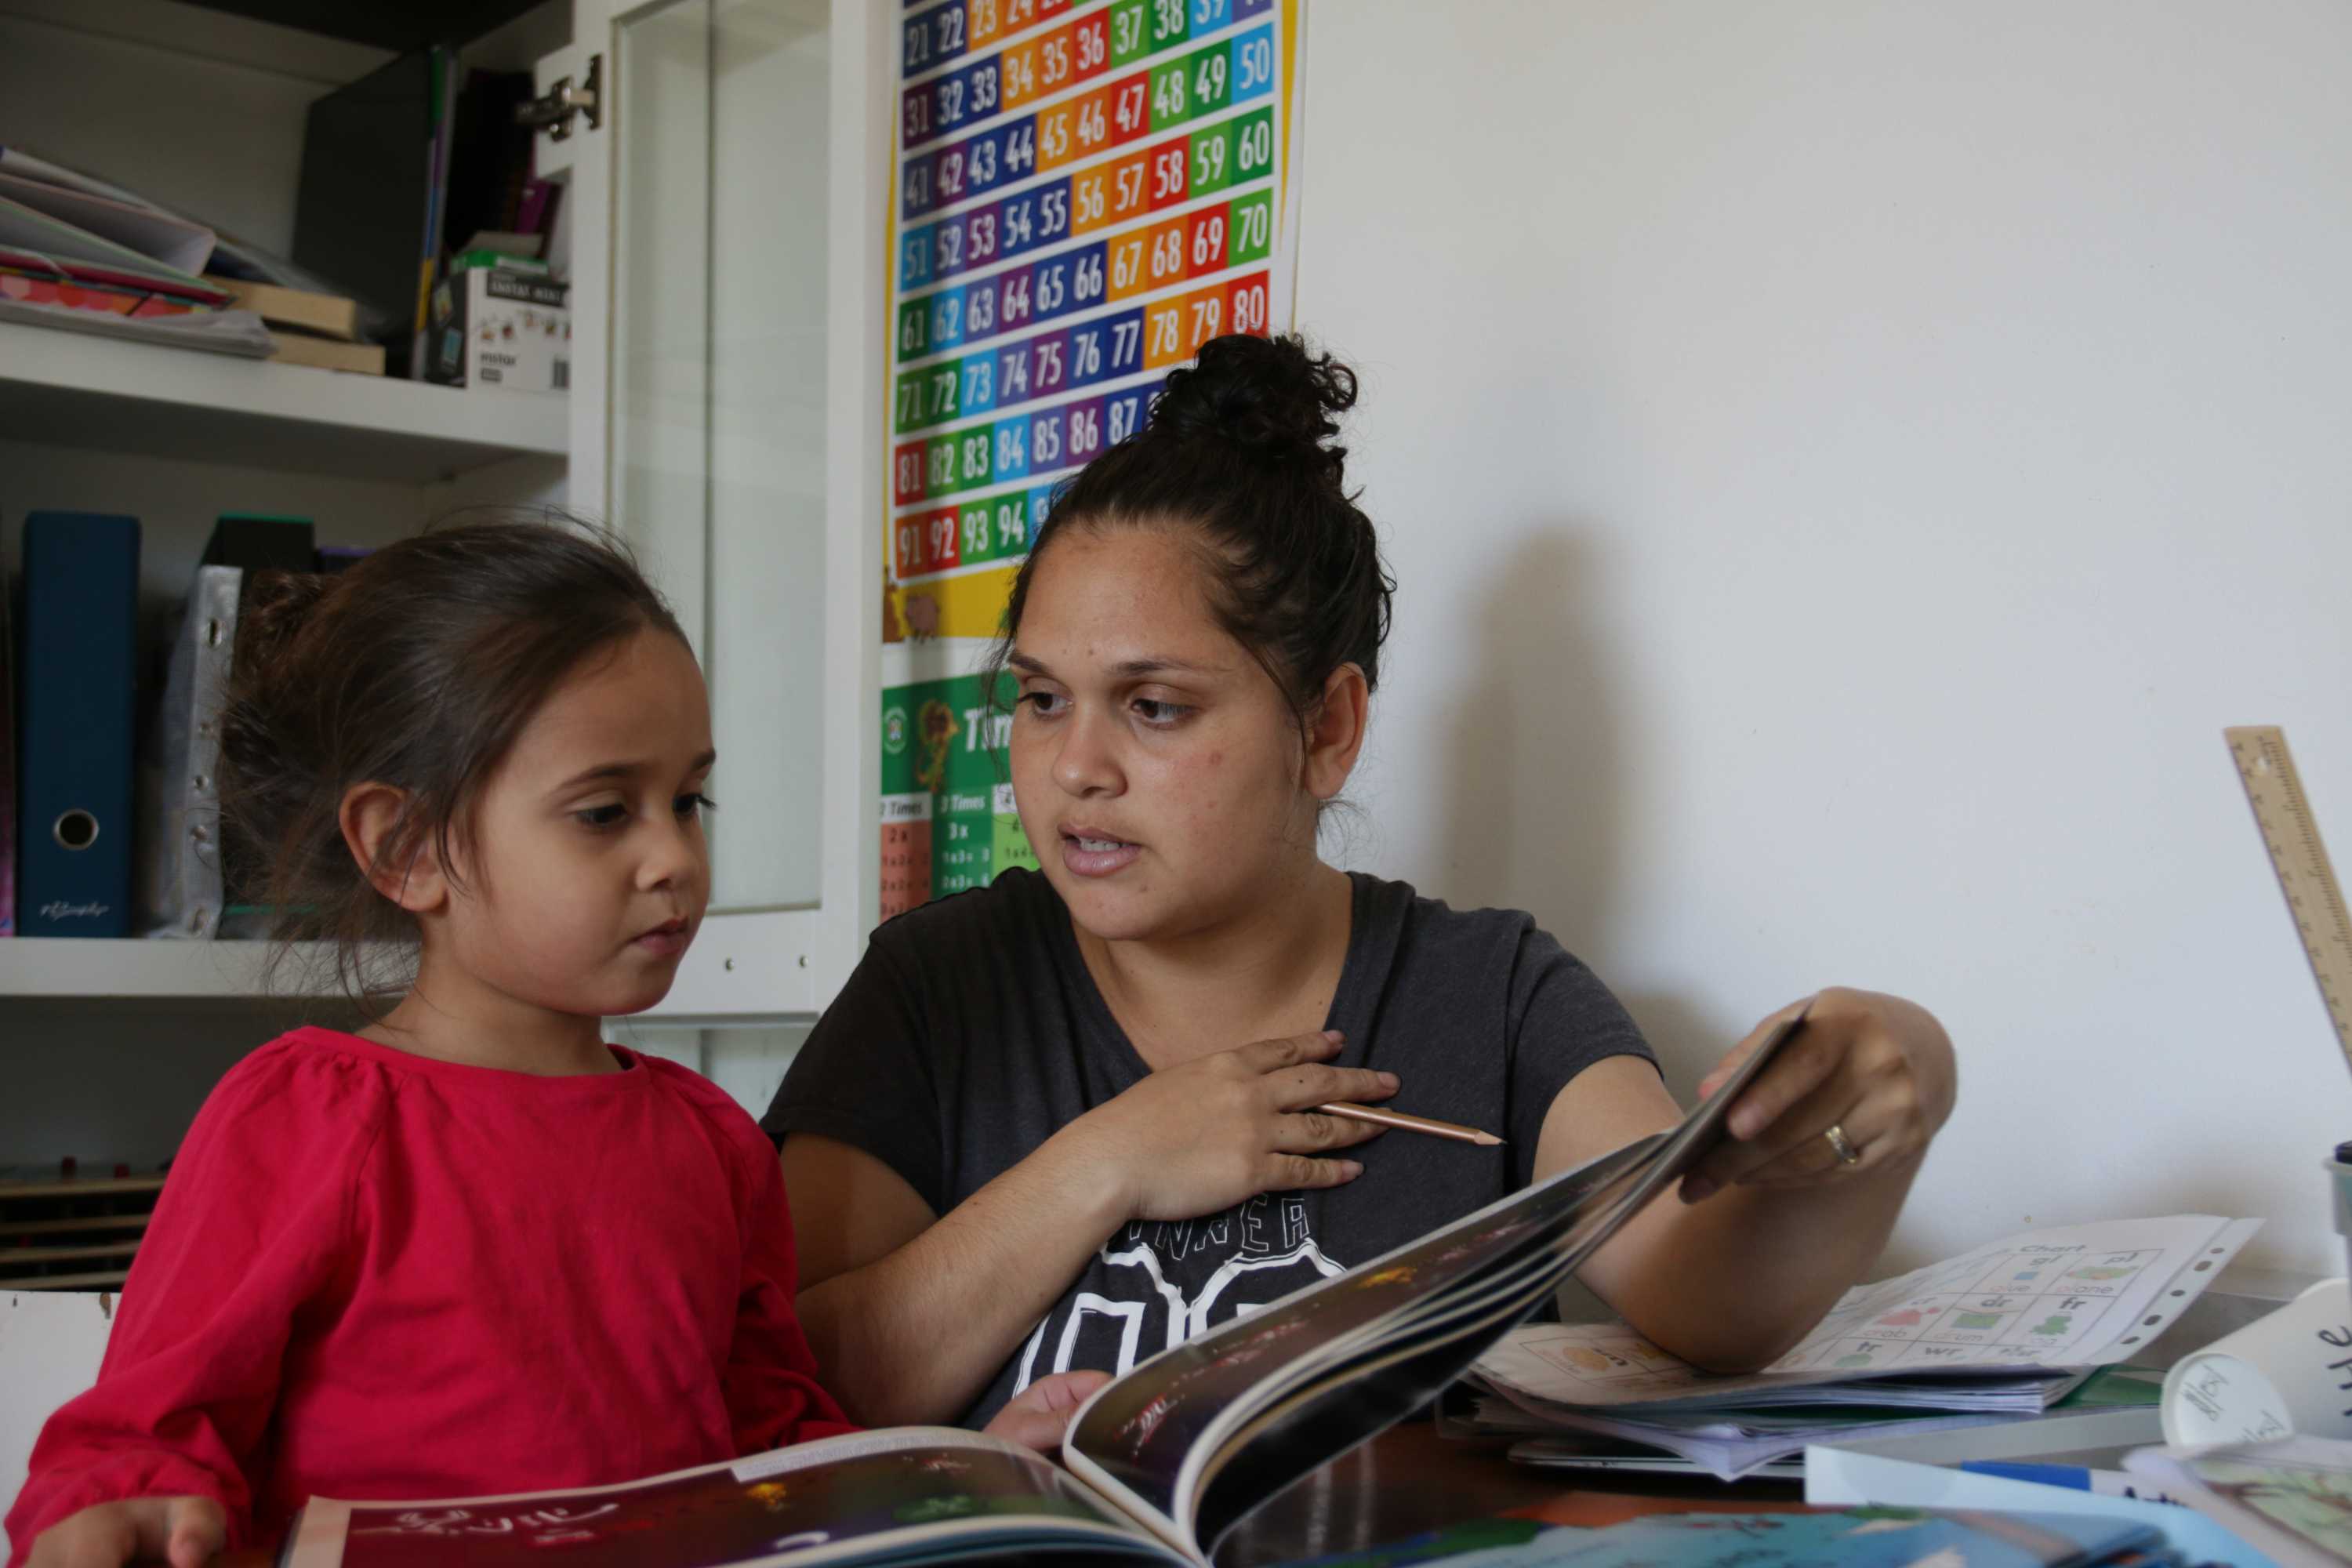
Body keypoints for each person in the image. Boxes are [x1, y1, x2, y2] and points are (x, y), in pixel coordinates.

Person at [766, 336, 1959, 1432]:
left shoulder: (1489, 996)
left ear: (1328, 728)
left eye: (1154, 706)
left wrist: (1903, 1073)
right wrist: (1105, 1163)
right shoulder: (940, 990)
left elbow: (1711, 1299)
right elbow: (782, 1378)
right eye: (1040, 699)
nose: (1075, 767)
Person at [7, 521, 1098, 1568]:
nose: (674, 858)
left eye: (688, 799)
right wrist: (124, 1514)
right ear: (405, 847)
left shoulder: (714, 1144)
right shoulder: (302, 1120)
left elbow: (773, 1449)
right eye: (604, 812)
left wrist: (955, 1480)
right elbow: (142, 1434)